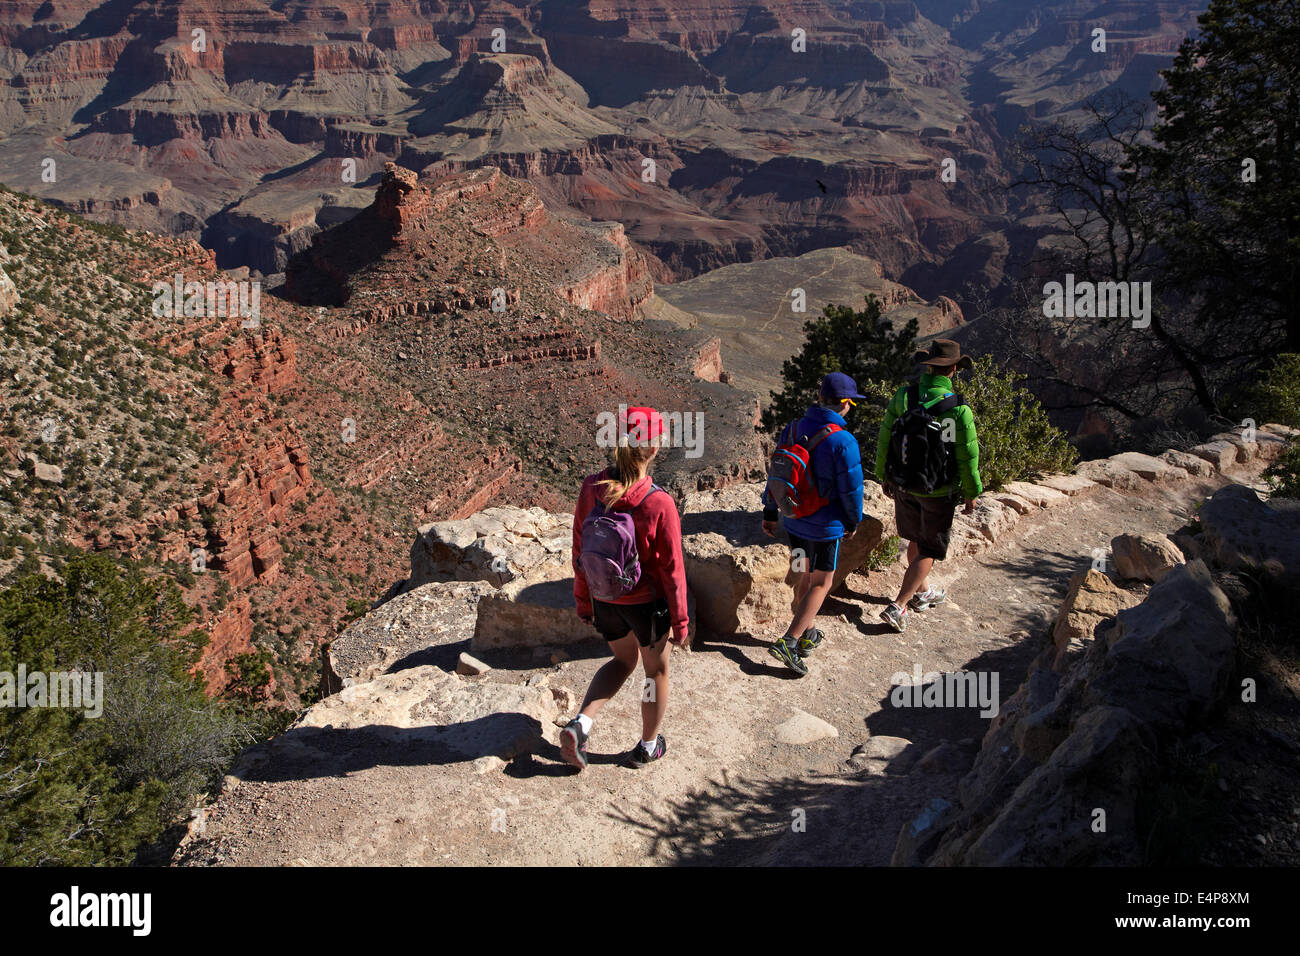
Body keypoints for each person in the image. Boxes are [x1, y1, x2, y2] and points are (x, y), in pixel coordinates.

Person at [561, 406, 690, 771]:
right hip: (644, 605)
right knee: (655, 673)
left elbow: (578, 549)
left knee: (621, 660)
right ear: (653, 449)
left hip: (605, 598)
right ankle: (648, 746)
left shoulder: (591, 487)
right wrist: (681, 622)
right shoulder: (658, 502)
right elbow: (672, 569)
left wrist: (583, 600)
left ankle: (581, 724)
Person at [874, 339, 983, 633]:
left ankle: (923, 594)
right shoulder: (959, 409)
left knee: (915, 540)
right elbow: (967, 456)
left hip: (904, 484)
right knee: (930, 550)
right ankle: (899, 605)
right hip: (938, 490)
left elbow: (886, 436)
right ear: (954, 369)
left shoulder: (904, 397)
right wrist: (972, 493)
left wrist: (883, 473)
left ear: (929, 366)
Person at [762, 372, 865, 676]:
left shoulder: (792, 428)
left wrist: (770, 512)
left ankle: (807, 630)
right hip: (825, 527)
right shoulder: (843, 440)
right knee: (822, 583)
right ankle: (789, 642)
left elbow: (776, 475)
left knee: (803, 577)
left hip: (793, 523)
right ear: (845, 404)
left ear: (820, 398)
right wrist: (852, 520)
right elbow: (851, 489)